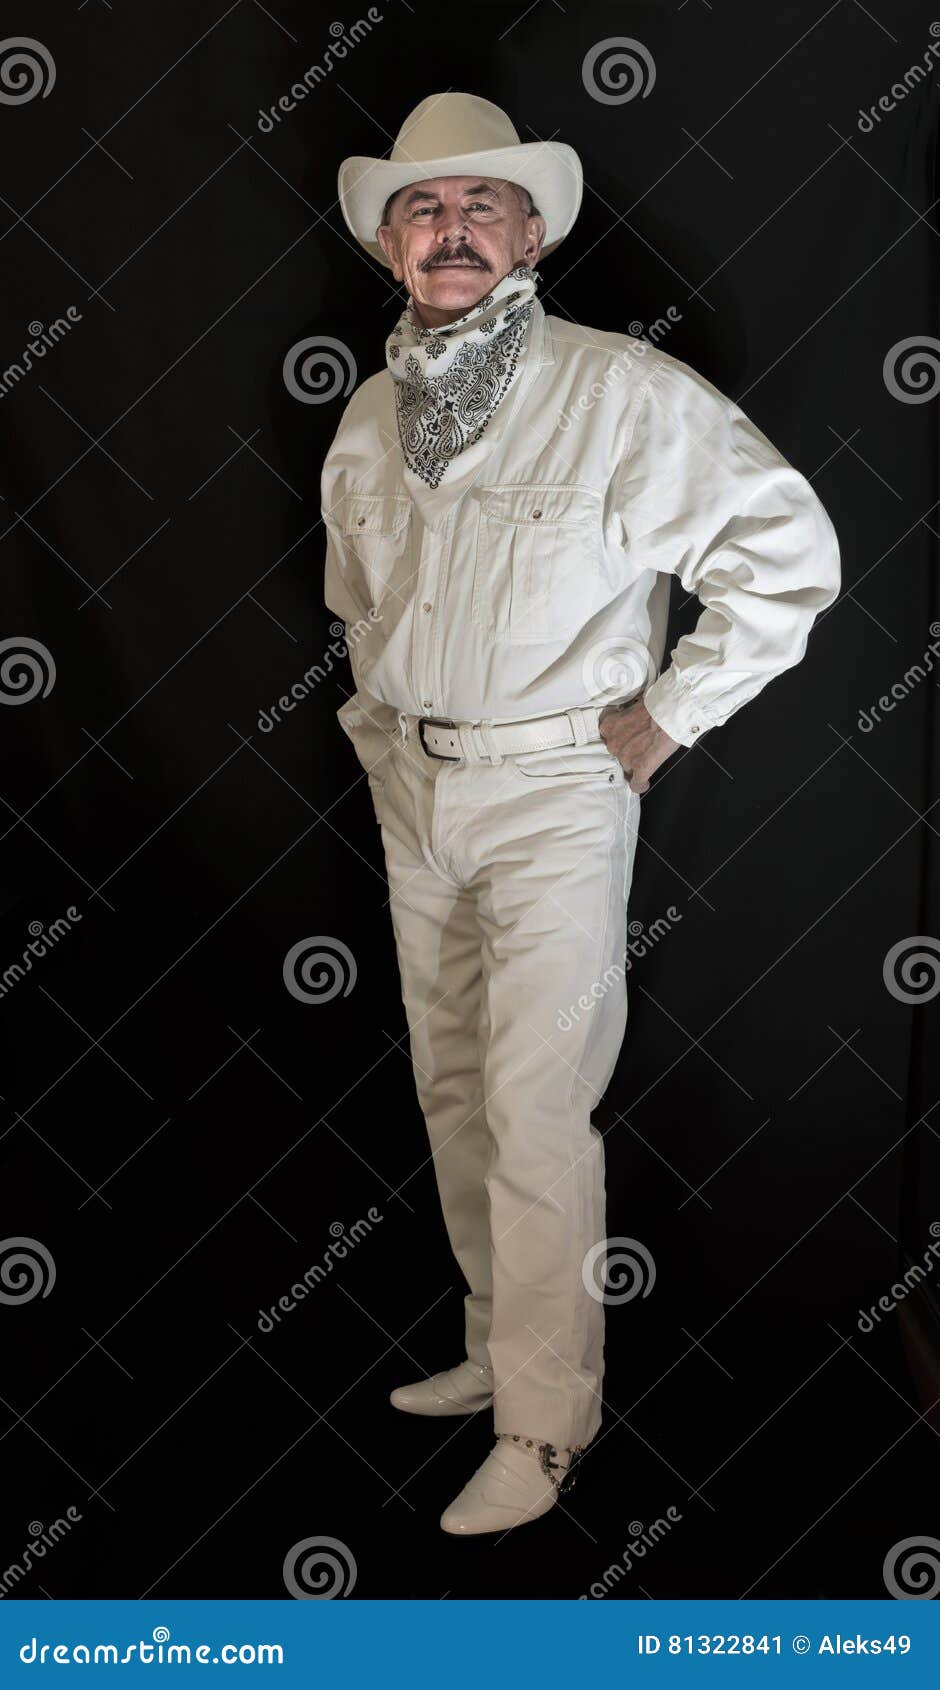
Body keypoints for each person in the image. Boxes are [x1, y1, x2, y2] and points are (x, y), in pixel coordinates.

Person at [321, 91, 841, 1535]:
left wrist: (672, 712)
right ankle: (500, 1342)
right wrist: (388, 738)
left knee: (537, 1102)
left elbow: (786, 549)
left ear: (534, 228)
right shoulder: (371, 417)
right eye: (423, 207)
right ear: (387, 244)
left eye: (484, 203)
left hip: (557, 788)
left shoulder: (617, 391)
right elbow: (359, 611)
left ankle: (549, 1427)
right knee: (451, 1080)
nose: (453, 227)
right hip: (417, 791)